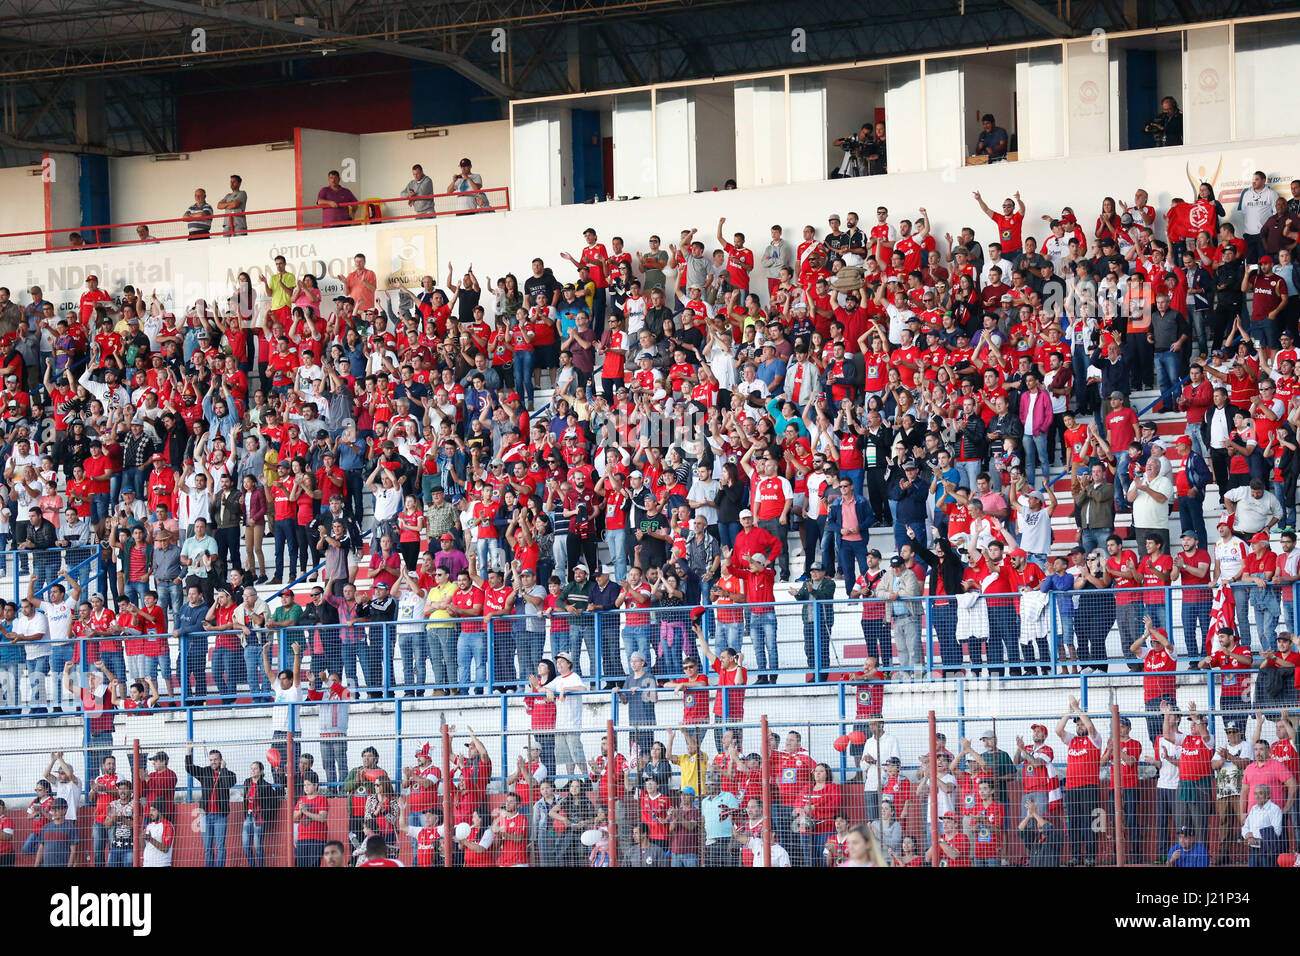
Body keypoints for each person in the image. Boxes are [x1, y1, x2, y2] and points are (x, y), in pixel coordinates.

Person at [184, 743, 237, 868]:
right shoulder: (205, 772)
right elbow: (189, 768)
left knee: (220, 846)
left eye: (216, 760)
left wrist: (223, 769)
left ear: (221, 760)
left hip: (221, 815)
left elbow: (227, 783)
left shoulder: (230, 774)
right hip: (205, 815)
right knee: (207, 847)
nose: (213, 762)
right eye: (211, 760)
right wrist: (188, 751)